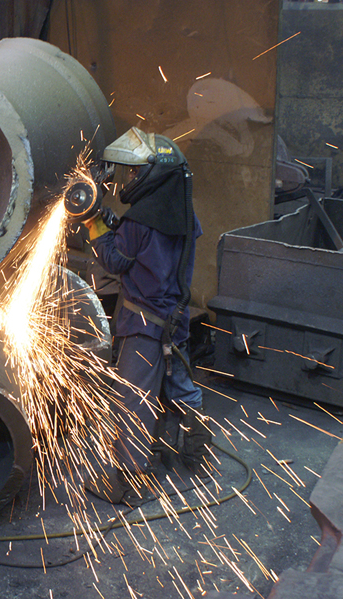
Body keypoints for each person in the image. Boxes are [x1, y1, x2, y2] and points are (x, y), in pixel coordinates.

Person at [77, 127, 212, 507]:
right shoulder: (182, 212)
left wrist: (94, 225)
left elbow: (117, 259)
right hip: (175, 316)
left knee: (133, 402)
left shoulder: (140, 221)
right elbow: (152, 249)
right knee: (179, 384)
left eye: (135, 173)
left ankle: (129, 485)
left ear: (154, 174)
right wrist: (112, 225)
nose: (130, 179)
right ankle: (195, 450)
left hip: (143, 325)